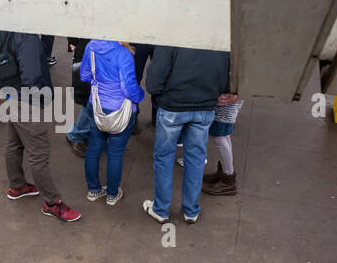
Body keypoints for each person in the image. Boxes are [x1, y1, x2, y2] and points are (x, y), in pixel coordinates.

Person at [0, 29, 81, 222]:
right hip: (26, 101)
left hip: (8, 93)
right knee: (39, 153)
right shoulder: (26, 37)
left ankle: (17, 186)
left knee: (13, 142)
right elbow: (32, 75)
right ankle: (52, 203)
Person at [142, 45, 230, 224]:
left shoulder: (172, 38)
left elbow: (153, 83)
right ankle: (191, 210)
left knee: (164, 158)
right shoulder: (220, 40)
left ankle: (161, 209)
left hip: (172, 108)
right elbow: (226, 81)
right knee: (196, 159)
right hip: (205, 109)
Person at [80, 39, 144, 206]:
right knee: (115, 153)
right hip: (120, 111)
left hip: (96, 107)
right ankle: (112, 194)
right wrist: (140, 96)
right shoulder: (124, 54)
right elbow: (128, 89)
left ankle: (93, 190)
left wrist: (100, 83)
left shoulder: (91, 46)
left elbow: (84, 75)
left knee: (93, 149)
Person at [203, 92, 243, 196]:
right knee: (224, 136)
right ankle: (227, 171)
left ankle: (228, 179)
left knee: (219, 138)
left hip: (224, 108)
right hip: (230, 107)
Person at [65, 36, 94, 156]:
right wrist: (72, 41)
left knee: (94, 98)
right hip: (88, 50)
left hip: (97, 49)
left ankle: (82, 132)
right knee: (90, 99)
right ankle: (76, 134)